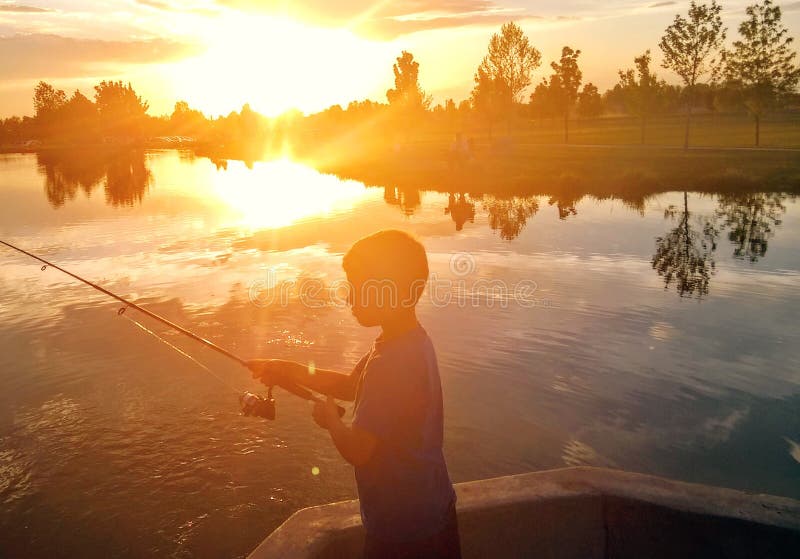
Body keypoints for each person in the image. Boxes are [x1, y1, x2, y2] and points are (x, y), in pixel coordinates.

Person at [247, 230, 461, 558]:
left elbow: (359, 450)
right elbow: (348, 385)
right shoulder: (410, 342)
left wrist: (331, 422)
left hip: (404, 529)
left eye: (357, 287)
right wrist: (285, 368)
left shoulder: (390, 363)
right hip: (433, 508)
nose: (348, 298)